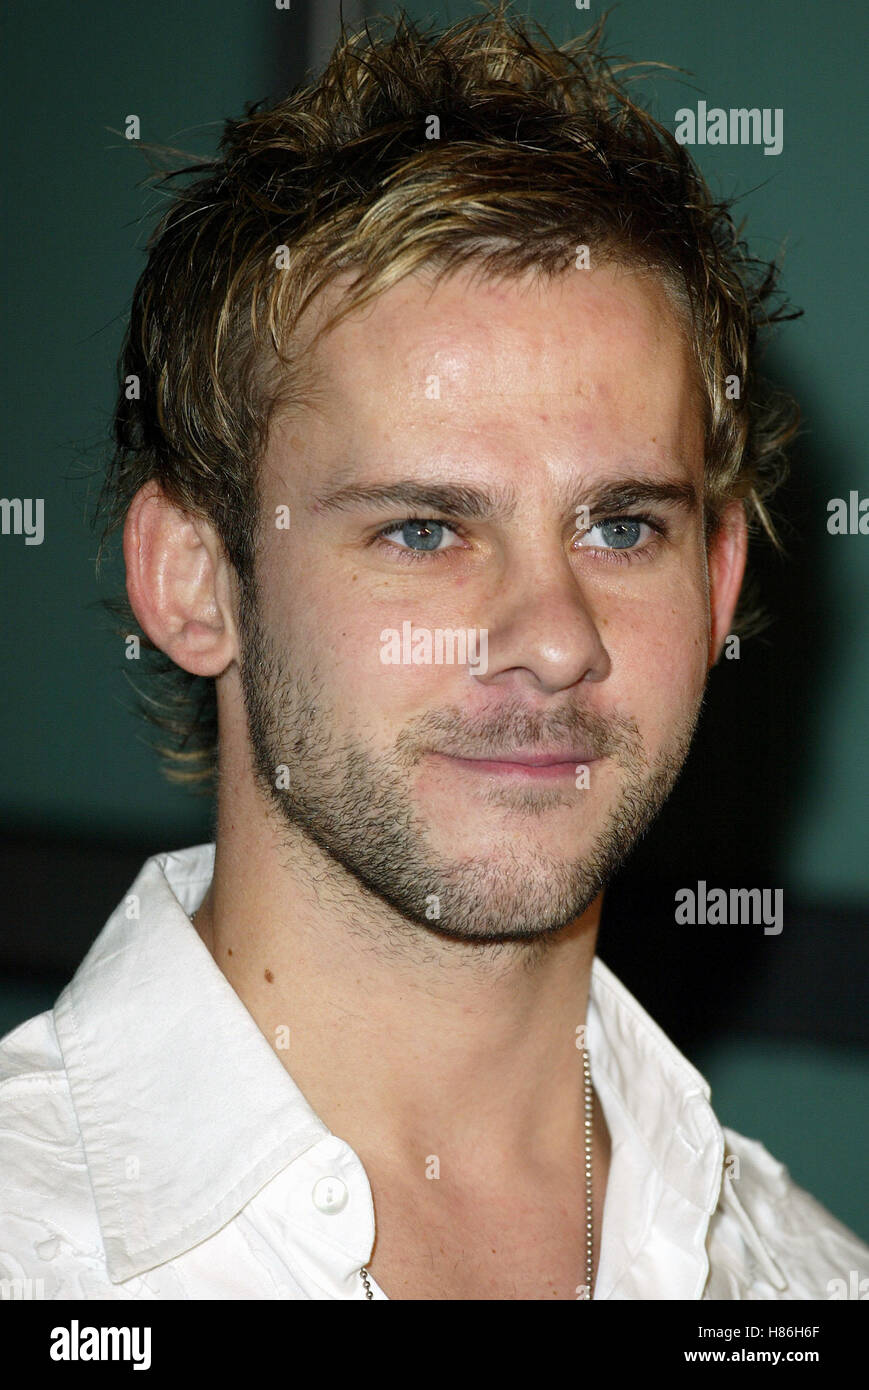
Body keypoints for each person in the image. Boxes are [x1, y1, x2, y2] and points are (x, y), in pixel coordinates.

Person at [1, 4, 866, 1300]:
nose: (554, 638)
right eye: (422, 528)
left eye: (622, 525)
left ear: (716, 583)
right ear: (192, 580)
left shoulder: (804, 1282)